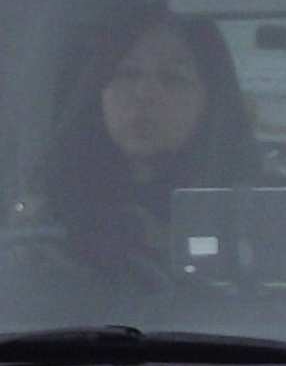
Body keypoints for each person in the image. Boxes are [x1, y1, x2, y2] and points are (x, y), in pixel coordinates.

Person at [44, 15, 261, 279]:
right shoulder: (49, 212)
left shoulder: (250, 214)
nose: (144, 93)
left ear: (211, 100)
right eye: (127, 73)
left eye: (173, 78)